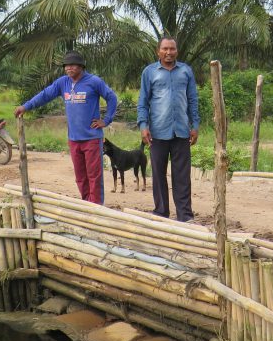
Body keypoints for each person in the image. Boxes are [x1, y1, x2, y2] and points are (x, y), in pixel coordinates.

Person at [15, 51, 118, 204]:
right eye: (66, 66)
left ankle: (96, 208)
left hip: (92, 138)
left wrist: (106, 120)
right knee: (80, 176)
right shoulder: (62, 83)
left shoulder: (94, 81)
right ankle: (86, 204)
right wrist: (26, 106)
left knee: (94, 176)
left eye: (72, 65)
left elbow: (112, 97)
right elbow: (45, 95)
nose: (69, 68)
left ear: (81, 66)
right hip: (74, 139)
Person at [137, 37, 199, 222]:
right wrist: (143, 126)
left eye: (172, 49)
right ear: (159, 51)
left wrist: (195, 125)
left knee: (182, 176)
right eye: (165, 49)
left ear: (177, 51)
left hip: (181, 131)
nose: (169, 52)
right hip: (157, 132)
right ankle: (161, 213)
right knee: (158, 174)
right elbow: (143, 102)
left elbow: (193, 100)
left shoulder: (186, 71)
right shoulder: (149, 72)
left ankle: (185, 215)